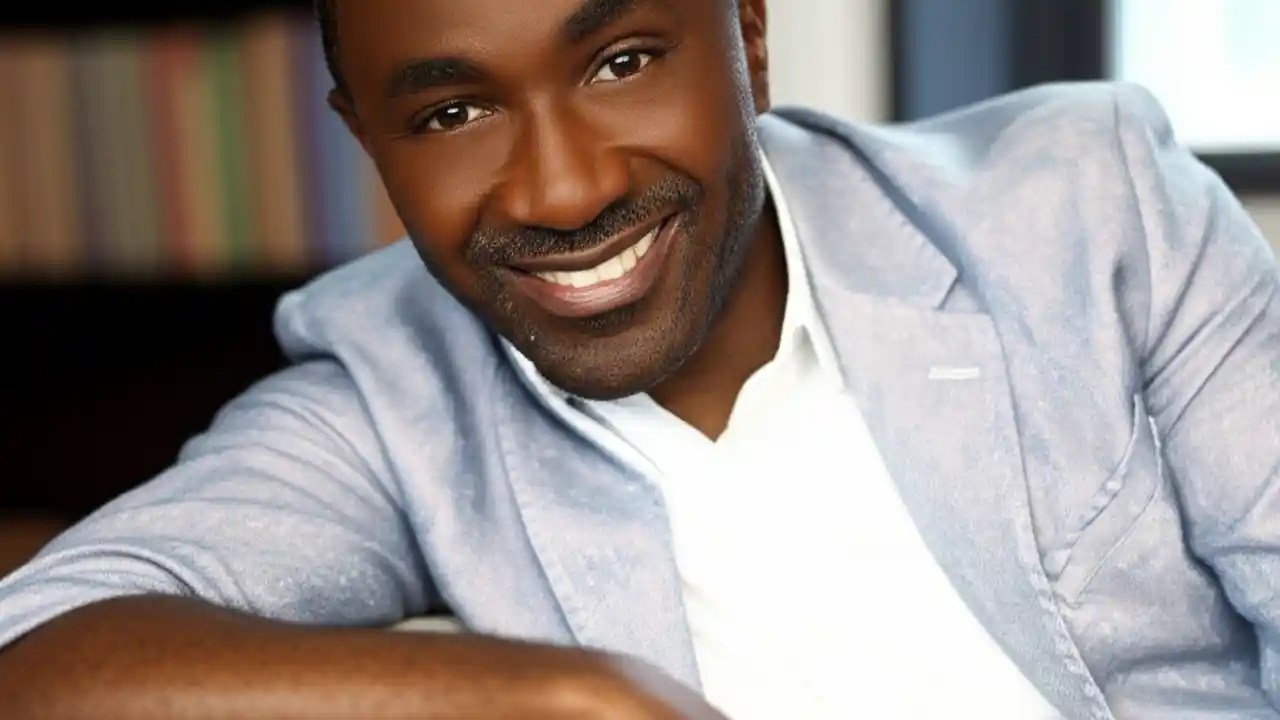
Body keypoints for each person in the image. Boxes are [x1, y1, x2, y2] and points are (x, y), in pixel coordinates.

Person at [1, 0, 1278, 717]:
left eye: (619, 62)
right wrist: (554, 699)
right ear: (367, 141)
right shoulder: (390, 391)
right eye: (450, 113)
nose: (561, 191)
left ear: (749, 36)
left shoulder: (1082, 206)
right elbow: (38, 654)